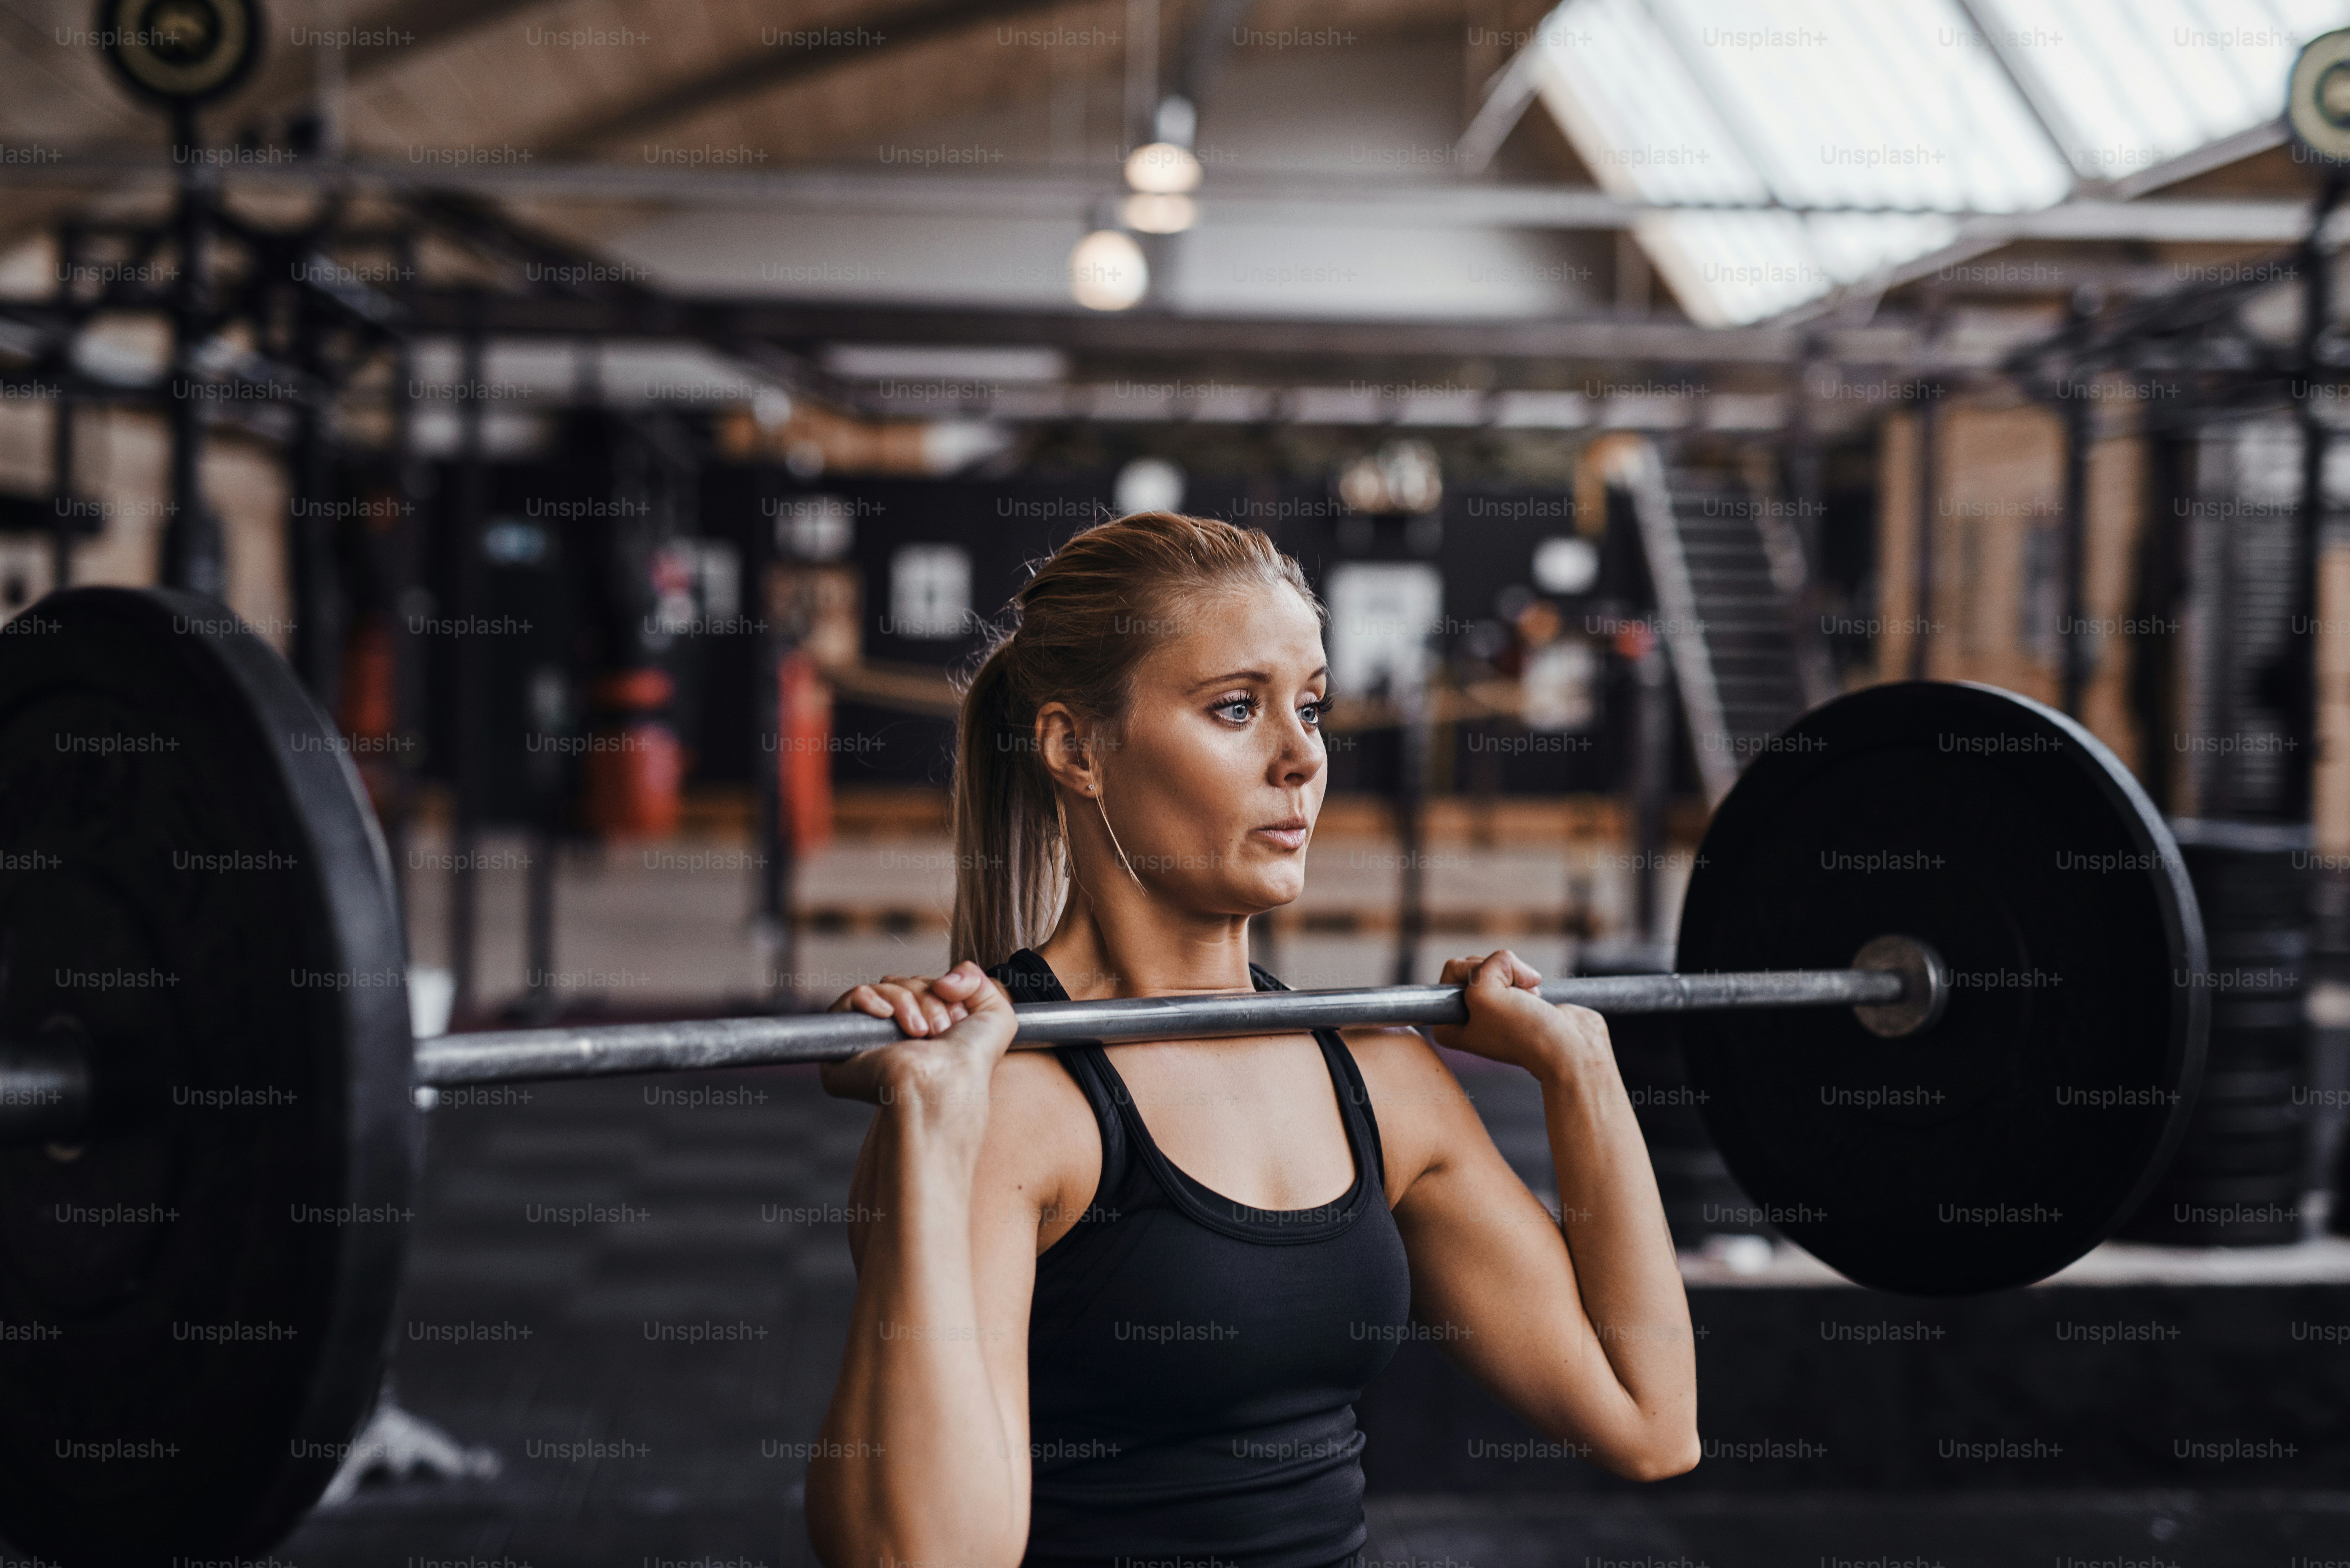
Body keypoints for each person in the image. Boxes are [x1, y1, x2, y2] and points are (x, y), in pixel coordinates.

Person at [807, 512, 1697, 1568]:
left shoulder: (1375, 1076)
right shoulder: (1013, 1103)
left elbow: (1651, 1425)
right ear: (1076, 749)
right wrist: (929, 1128)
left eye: (1311, 708)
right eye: (1237, 708)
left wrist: (1581, 1068)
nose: (1301, 758)